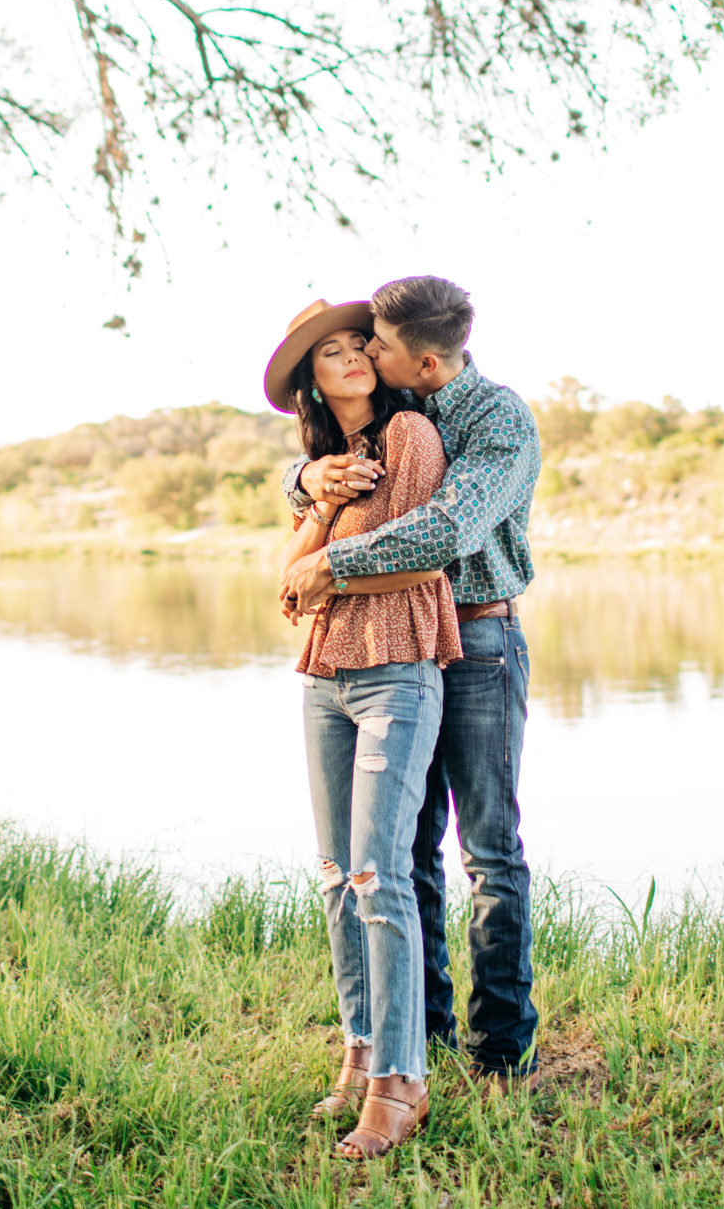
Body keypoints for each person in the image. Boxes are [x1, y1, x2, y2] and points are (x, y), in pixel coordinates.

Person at [277, 276, 544, 1088]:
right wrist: (305, 482)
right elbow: (342, 450)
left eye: (380, 346)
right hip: (408, 644)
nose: (368, 354)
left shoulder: (496, 418)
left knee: (489, 850)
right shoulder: (408, 406)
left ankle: (502, 1049)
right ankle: (418, 1033)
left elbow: (444, 527)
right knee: (405, 849)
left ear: (424, 361)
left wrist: (328, 565)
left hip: (482, 634)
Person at [264, 298, 463, 1159]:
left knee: (381, 873)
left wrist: (324, 572)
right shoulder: (321, 462)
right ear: (312, 376)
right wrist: (312, 500)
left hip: (398, 674)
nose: (349, 359)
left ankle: (402, 1079)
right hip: (323, 678)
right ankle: (358, 1049)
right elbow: (286, 576)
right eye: (331, 353)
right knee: (338, 875)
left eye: (358, 347)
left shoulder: (411, 437)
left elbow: (420, 557)